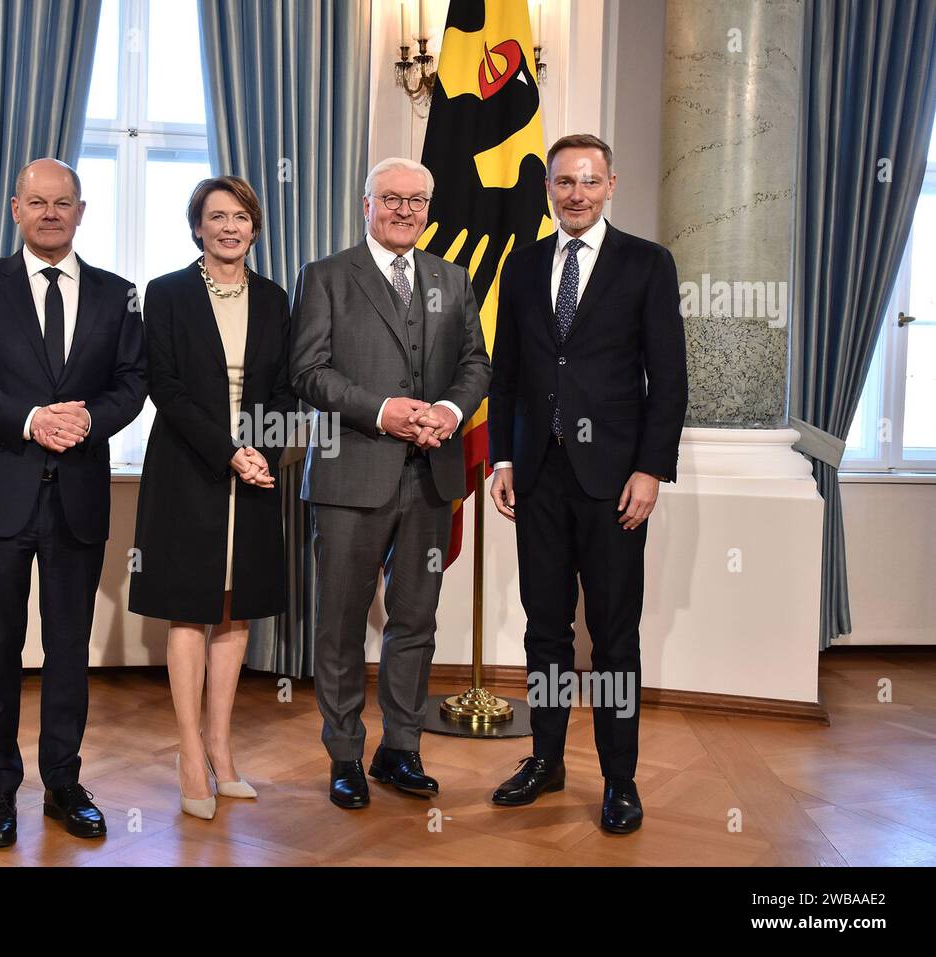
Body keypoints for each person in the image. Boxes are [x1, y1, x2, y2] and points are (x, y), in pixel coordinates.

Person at [0, 158, 147, 847]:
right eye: (37, 202)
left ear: (81, 211)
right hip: (0, 497)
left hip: (77, 501)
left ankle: (63, 780)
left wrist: (88, 419)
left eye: (63, 203)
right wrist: (30, 419)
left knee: (66, 650)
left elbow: (132, 383)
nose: (50, 213)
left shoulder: (119, 294)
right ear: (16, 211)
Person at [487, 133, 688, 833]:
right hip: (537, 476)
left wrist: (651, 468)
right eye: (564, 181)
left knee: (612, 639)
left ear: (611, 185)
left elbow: (668, 379)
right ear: (548, 188)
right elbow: (505, 373)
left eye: (589, 181)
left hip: (613, 485)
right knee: (545, 632)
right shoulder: (524, 264)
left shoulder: (647, 264)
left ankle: (620, 779)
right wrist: (503, 460)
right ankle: (545, 759)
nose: (576, 193)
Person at [291, 157, 491, 809]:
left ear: (429, 207)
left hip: (431, 477)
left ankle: (399, 747)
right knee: (342, 622)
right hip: (351, 474)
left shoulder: (453, 279)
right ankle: (344, 752)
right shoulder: (325, 277)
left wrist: (449, 412)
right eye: (392, 198)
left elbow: (475, 364)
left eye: (417, 200)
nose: (405, 210)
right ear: (366, 202)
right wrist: (382, 411)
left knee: (415, 620)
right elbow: (308, 372)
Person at [129, 176, 294, 819]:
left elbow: (285, 386)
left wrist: (260, 450)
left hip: (256, 467)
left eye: (241, 217)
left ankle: (223, 750)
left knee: (236, 606)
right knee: (189, 608)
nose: (230, 227)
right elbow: (164, 388)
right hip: (188, 464)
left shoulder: (278, 299)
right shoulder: (166, 294)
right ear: (197, 226)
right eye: (217, 216)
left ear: (255, 228)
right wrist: (227, 450)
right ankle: (189, 753)